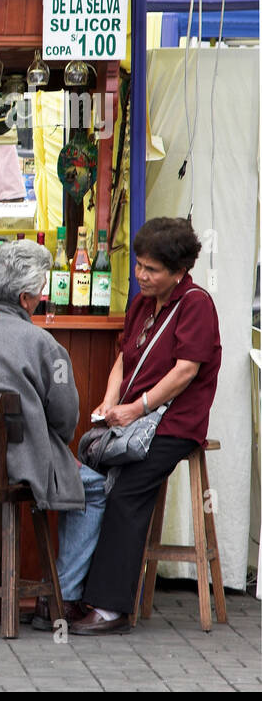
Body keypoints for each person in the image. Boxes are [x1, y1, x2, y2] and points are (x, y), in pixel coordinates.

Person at [0, 240, 107, 629]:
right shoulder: (44, 344)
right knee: (93, 488)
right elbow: (65, 420)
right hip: (21, 466)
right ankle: (60, 597)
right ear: (27, 297)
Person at [74, 217, 221, 635]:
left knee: (128, 491)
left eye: (152, 270)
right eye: (139, 266)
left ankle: (109, 607)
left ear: (179, 272)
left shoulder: (196, 304)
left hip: (174, 424)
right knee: (86, 480)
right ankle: (71, 591)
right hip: (132, 418)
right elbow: (123, 358)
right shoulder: (140, 304)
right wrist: (109, 400)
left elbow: (186, 371)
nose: (141, 275)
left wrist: (136, 408)